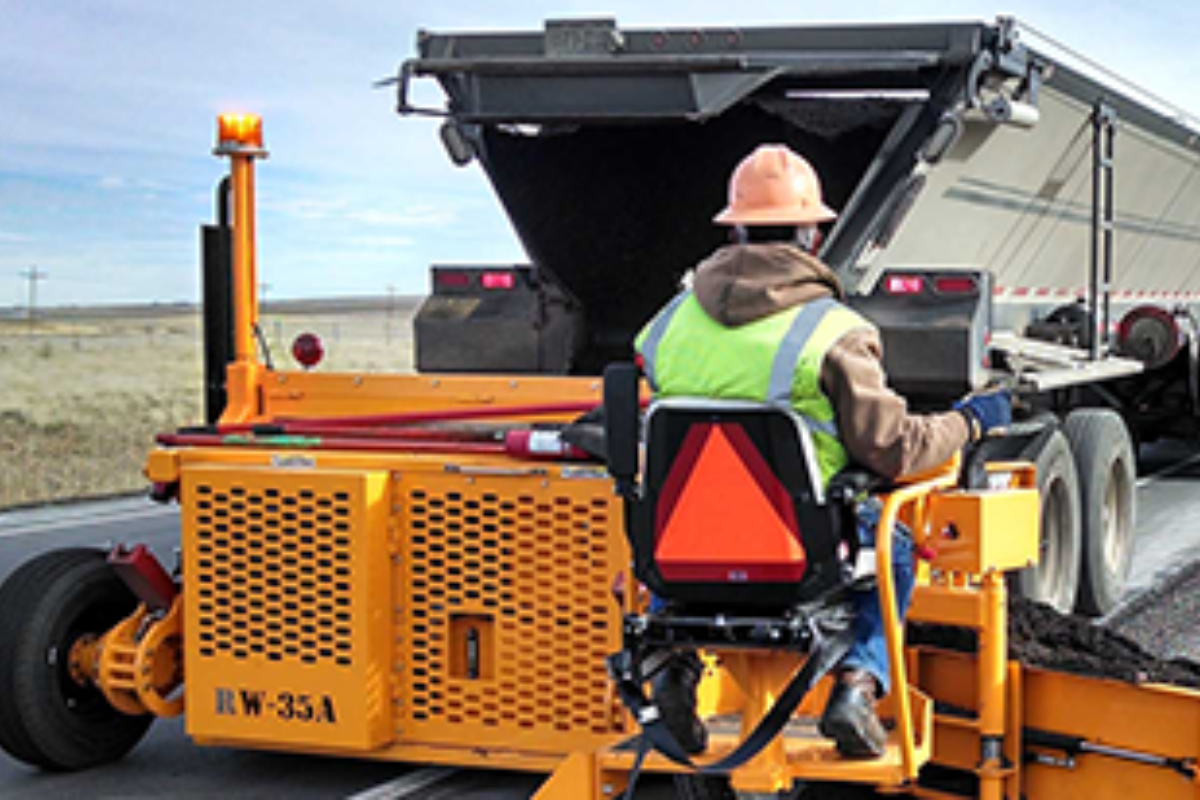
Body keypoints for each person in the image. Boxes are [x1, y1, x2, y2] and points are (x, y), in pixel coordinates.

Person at [634, 144, 1010, 758]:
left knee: (672, 532)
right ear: (810, 235)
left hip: (683, 549)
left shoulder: (667, 324)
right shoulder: (833, 331)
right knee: (895, 548)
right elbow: (892, 448)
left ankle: (672, 670)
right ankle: (858, 687)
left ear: (736, 228)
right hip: (803, 556)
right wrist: (969, 423)